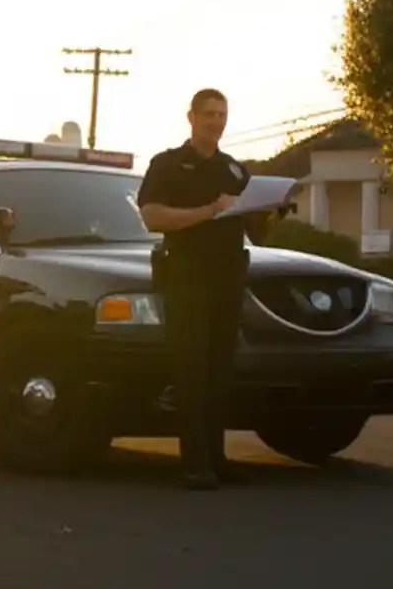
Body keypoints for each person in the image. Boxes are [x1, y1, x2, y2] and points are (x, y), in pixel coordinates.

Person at [136, 87, 261, 491]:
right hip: (187, 275)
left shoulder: (236, 171)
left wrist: (270, 209)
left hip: (228, 276)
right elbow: (153, 217)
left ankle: (216, 458)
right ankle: (193, 463)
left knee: (219, 368)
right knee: (191, 367)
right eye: (209, 114)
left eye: (222, 114)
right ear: (191, 118)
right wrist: (210, 211)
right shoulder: (169, 165)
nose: (216, 122)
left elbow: (254, 228)